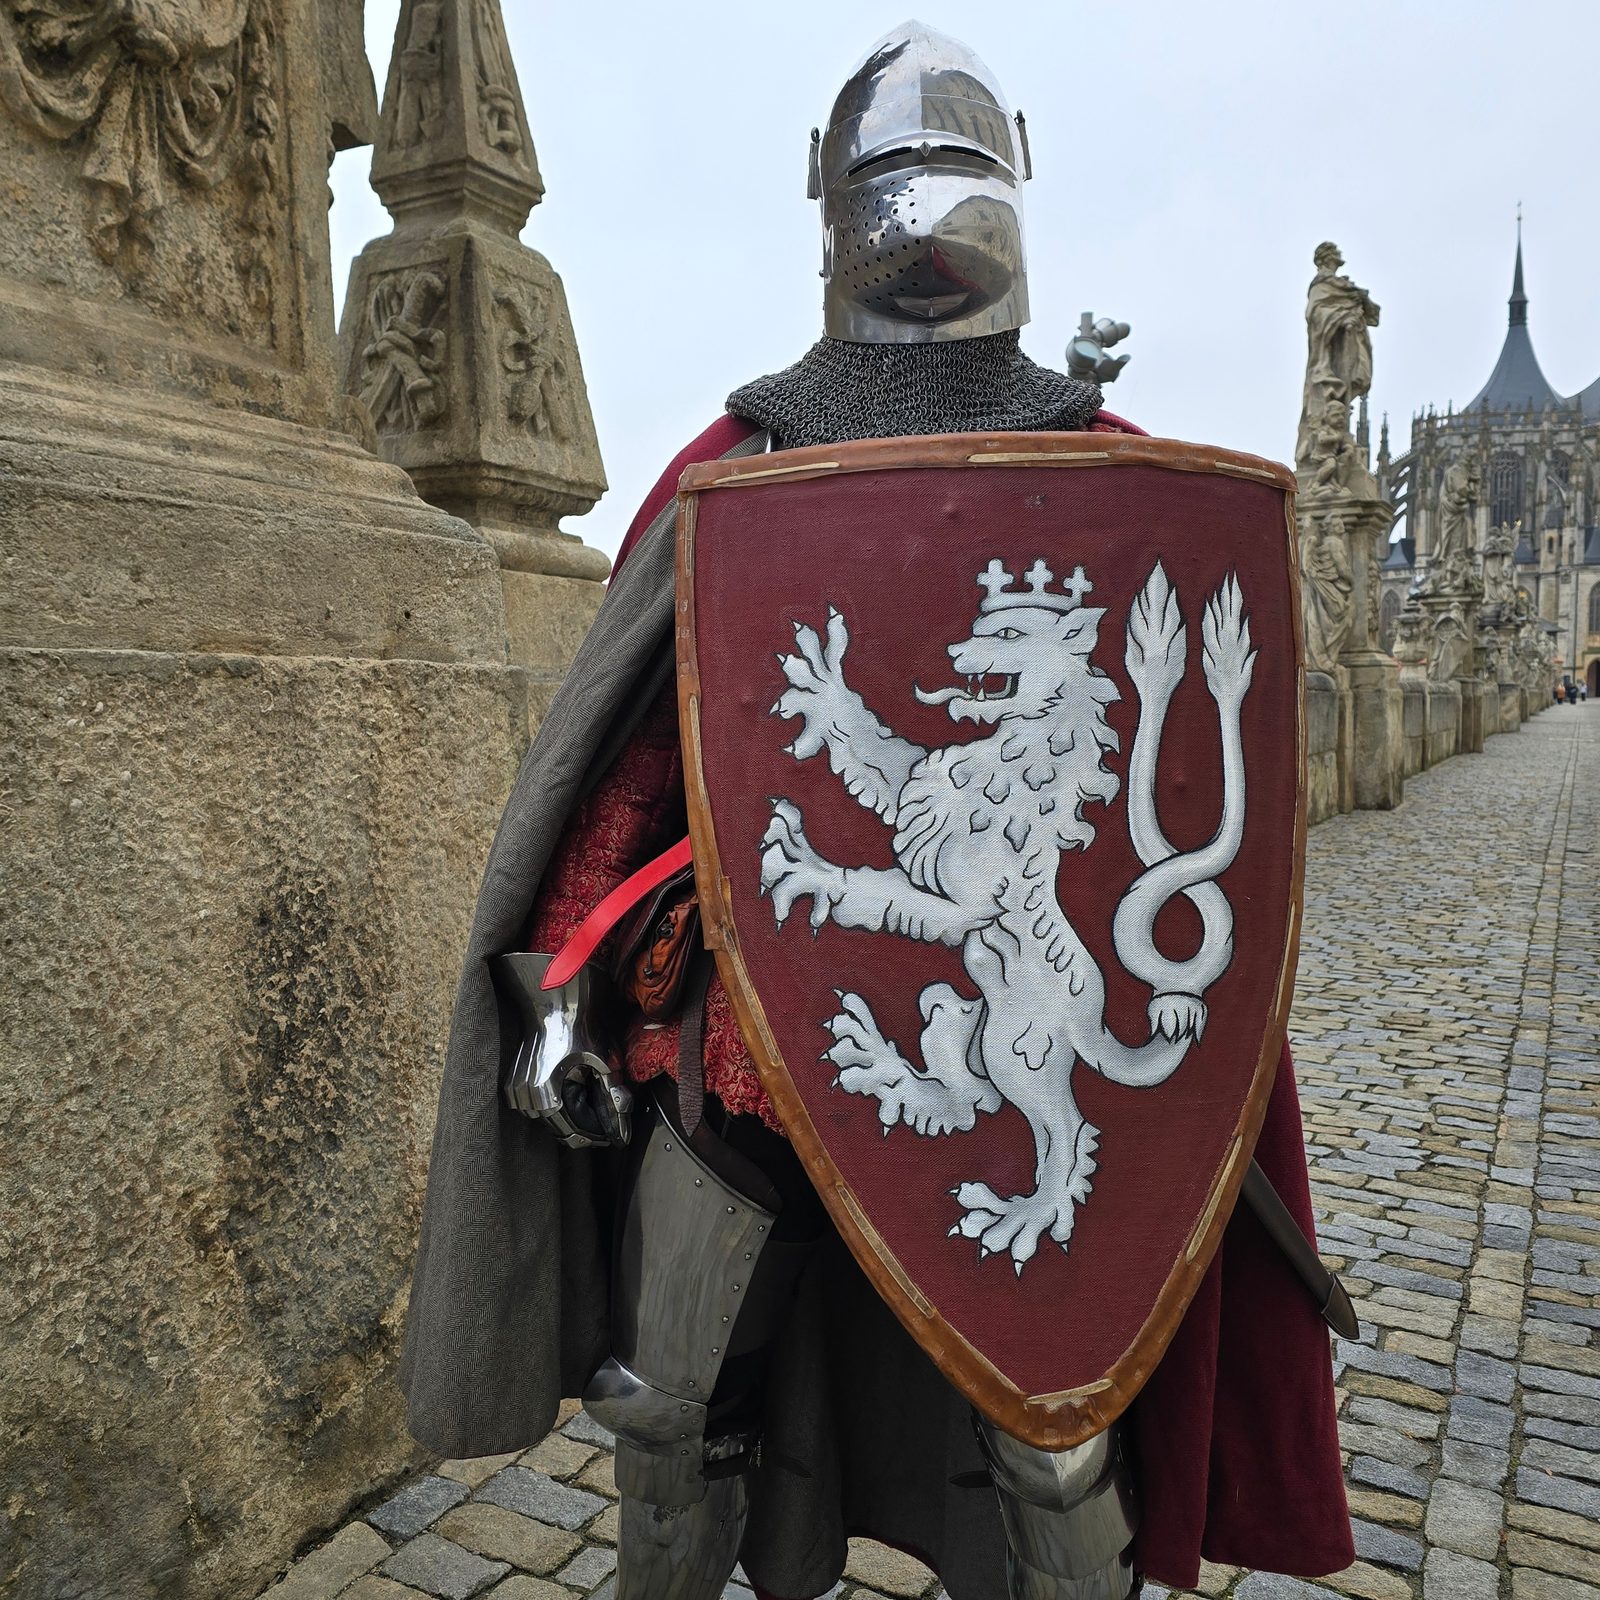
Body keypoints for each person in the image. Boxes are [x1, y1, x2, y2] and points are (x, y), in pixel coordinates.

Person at [398, 23, 1353, 1600]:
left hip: (973, 1042)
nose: (926, 215)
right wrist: (562, 987)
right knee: (671, 1399)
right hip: (745, 1036)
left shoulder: (1109, 482)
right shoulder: (745, 471)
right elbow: (635, 760)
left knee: (1062, 1417)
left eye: (948, 174)